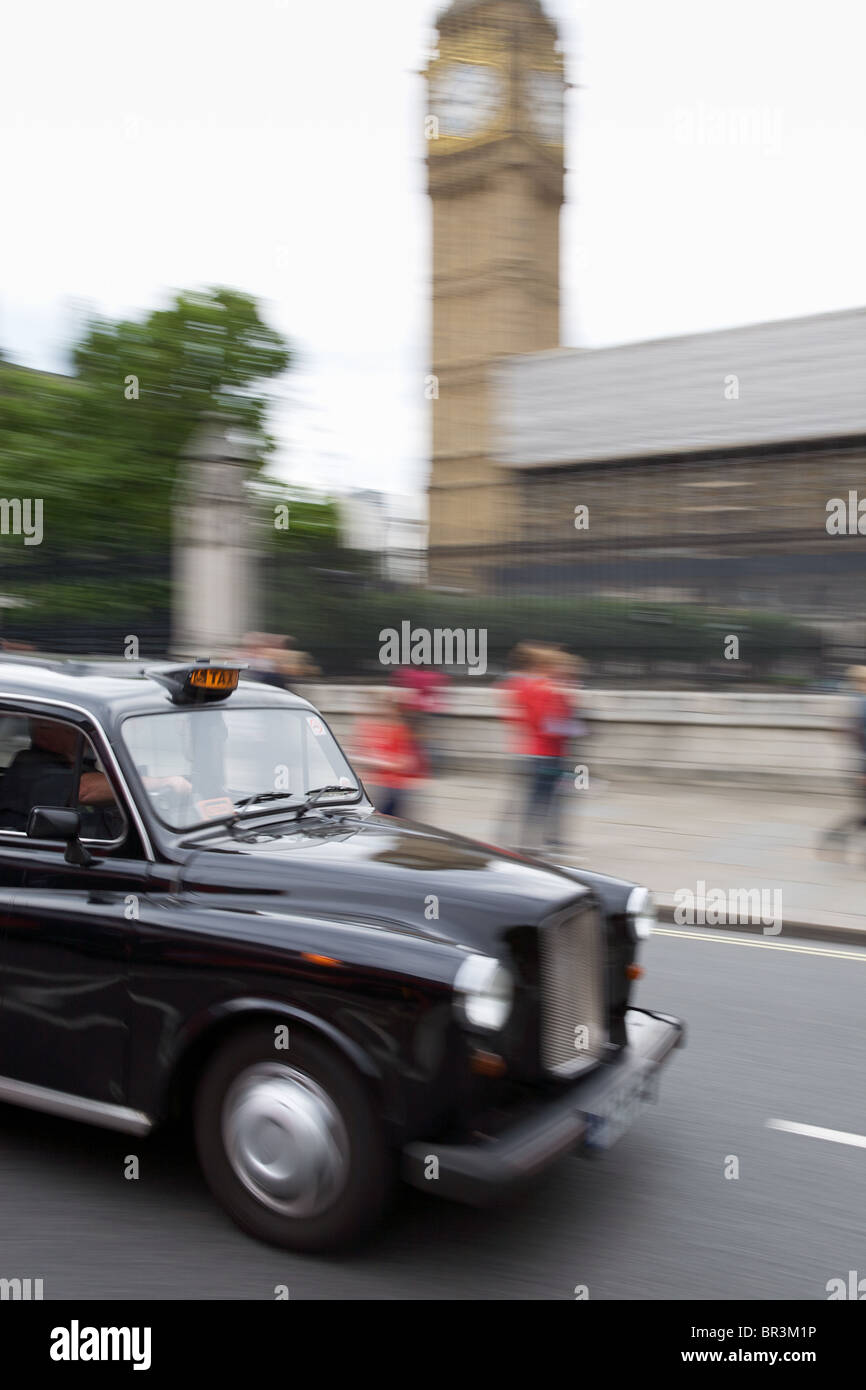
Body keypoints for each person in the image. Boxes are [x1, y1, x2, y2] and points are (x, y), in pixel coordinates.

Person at [351, 690, 424, 819]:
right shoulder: (369, 727)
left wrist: (380, 762)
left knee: (389, 822)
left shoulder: (400, 730)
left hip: (394, 788)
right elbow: (357, 753)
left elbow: (408, 763)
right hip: (378, 787)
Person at [821, 665, 866, 856]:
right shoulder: (862, 704)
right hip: (860, 767)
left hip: (853, 765)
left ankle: (835, 838)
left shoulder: (854, 701)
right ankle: (835, 837)